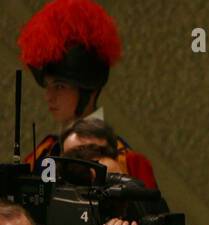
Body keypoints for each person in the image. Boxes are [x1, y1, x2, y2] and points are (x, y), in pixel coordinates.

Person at [19, 0, 157, 189]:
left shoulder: (128, 161)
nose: (48, 96)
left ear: (88, 90)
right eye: (47, 86)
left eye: (59, 86)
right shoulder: (42, 152)